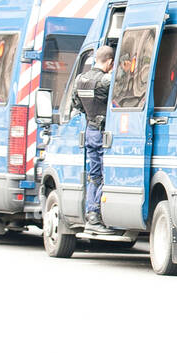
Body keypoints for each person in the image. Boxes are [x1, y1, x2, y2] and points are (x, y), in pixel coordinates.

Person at [73, 45, 115, 230]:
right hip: (103, 132)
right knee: (106, 174)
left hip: (90, 129)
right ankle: (98, 213)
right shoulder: (106, 81)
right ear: (110, 62)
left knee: (94, 175)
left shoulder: (80, 80)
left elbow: (78, 105)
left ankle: (92, 213)